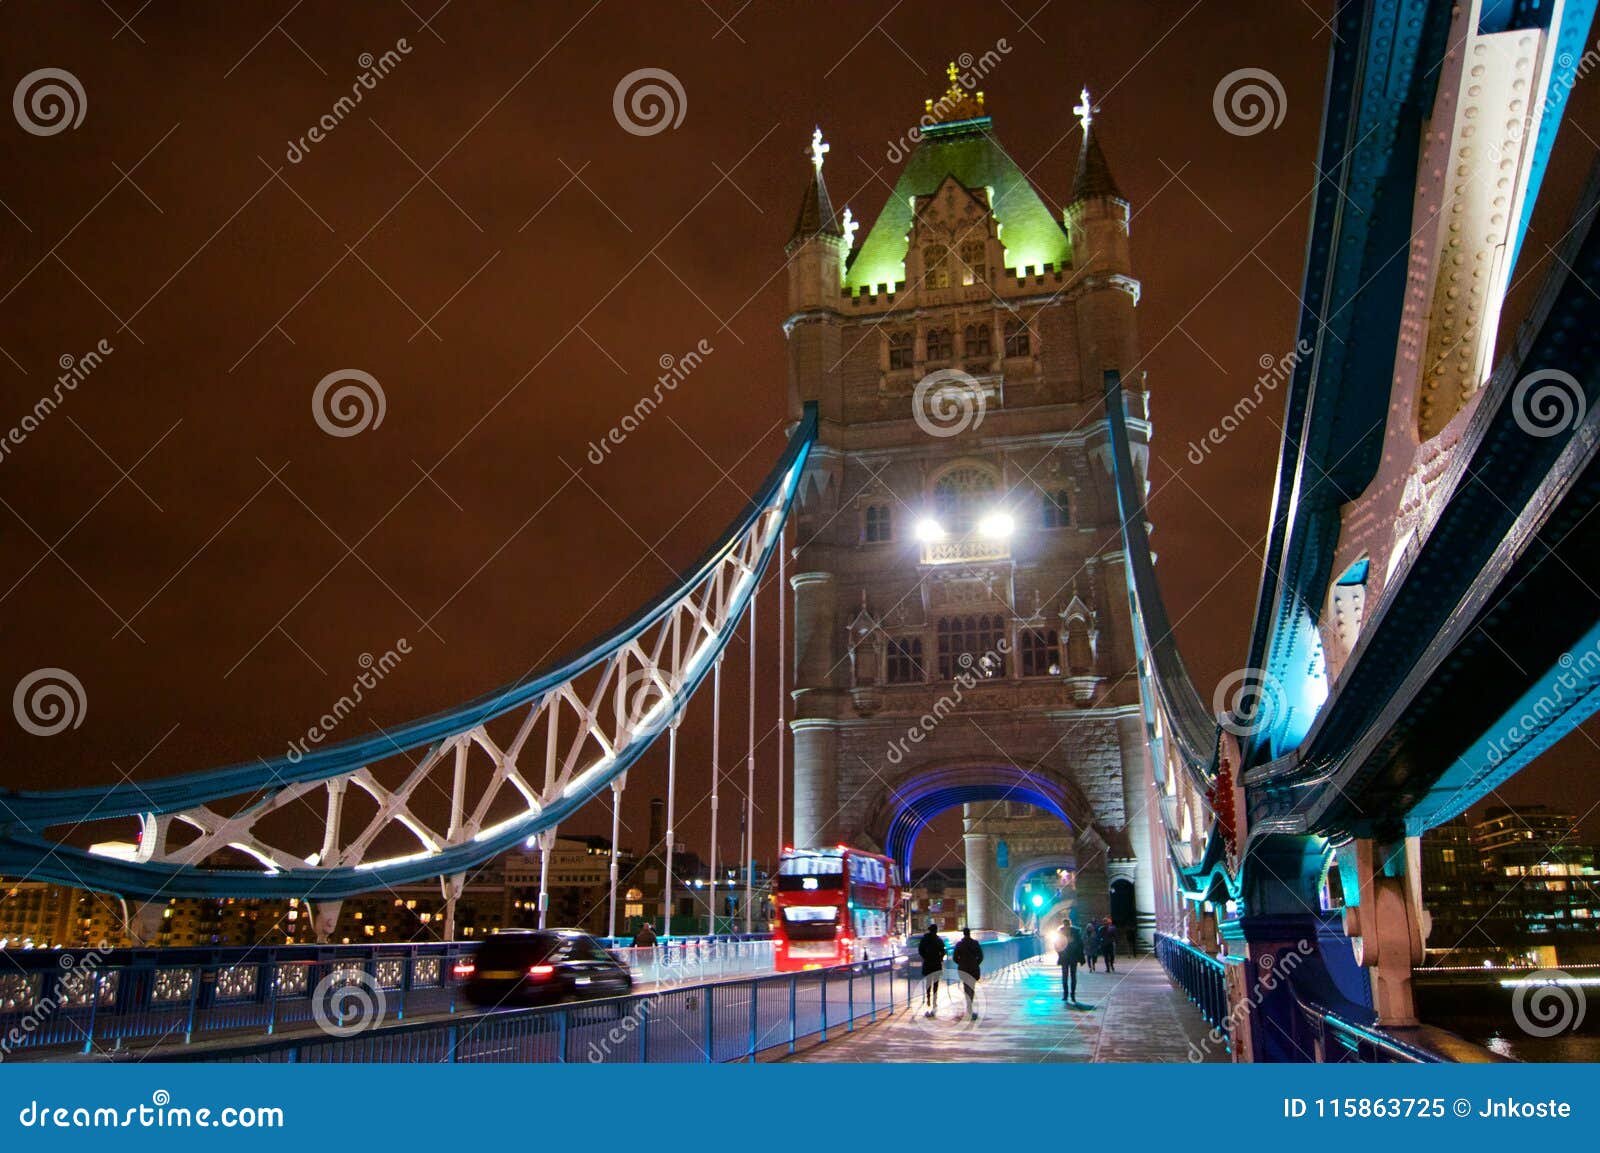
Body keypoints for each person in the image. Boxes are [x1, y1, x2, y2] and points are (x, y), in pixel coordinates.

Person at [951, 927, 984, 1020]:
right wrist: (976, 963)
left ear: (963, 934)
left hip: (964, 969)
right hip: (973, 969)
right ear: (969, 933)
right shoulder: (975, 943)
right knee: (972, 987)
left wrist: (960, 963)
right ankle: (970, 1007)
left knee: (966, 987)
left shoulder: (959, 944)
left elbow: (955, 958)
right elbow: (981, 956)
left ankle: (968, 1008)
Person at [917, 922, 947, 1017]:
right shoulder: (938, 940)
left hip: (928, 964)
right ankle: (934, 1001)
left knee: (928, 983)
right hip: (936, 964)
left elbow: (920, 950)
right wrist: (940, 958)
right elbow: (943, 951)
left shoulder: (925, 939)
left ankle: (928, 999)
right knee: (935, 984)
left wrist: (925, 957)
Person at [1057, 920, 1084, 1004]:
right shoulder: (1061, 933)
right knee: (1067, 976)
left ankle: (1071, 995)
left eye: (1067, 925)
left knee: (1071, 976)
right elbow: (1057, 945)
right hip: (1066, 957)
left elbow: (1080, 944)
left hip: (1072, 957)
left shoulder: (1075, 932)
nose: (1066, 927)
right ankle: (1066, 995)